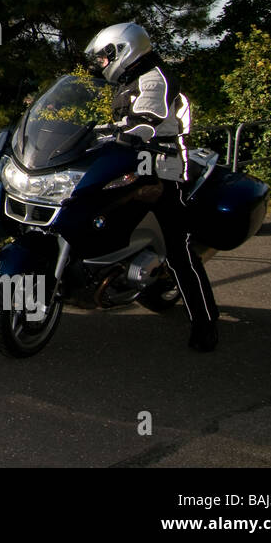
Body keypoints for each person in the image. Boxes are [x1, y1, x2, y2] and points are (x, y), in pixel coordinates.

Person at [84, 21, 219, 352]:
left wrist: (125, 133)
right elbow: (124, 123)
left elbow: (147, 119)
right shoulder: (130, 80)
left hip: (163, 170)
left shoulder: (154, 77)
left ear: (124, 50)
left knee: (177, 249)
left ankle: (205, 323)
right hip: (132, 165)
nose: (101, 64)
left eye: (105, 57)